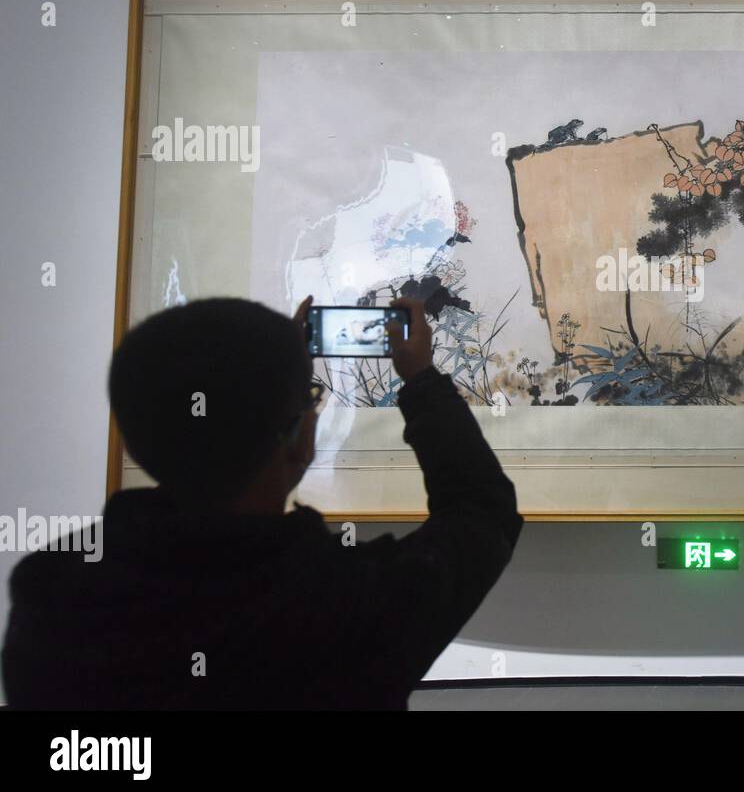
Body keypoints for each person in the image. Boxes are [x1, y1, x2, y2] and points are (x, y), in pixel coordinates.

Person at [1, 295, 522, 709]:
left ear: (133, 441)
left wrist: (278, 383)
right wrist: (423, 381)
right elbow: (481, 509)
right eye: (309, 403)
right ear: (299, 438)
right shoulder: (352, 602)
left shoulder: (51, 600)